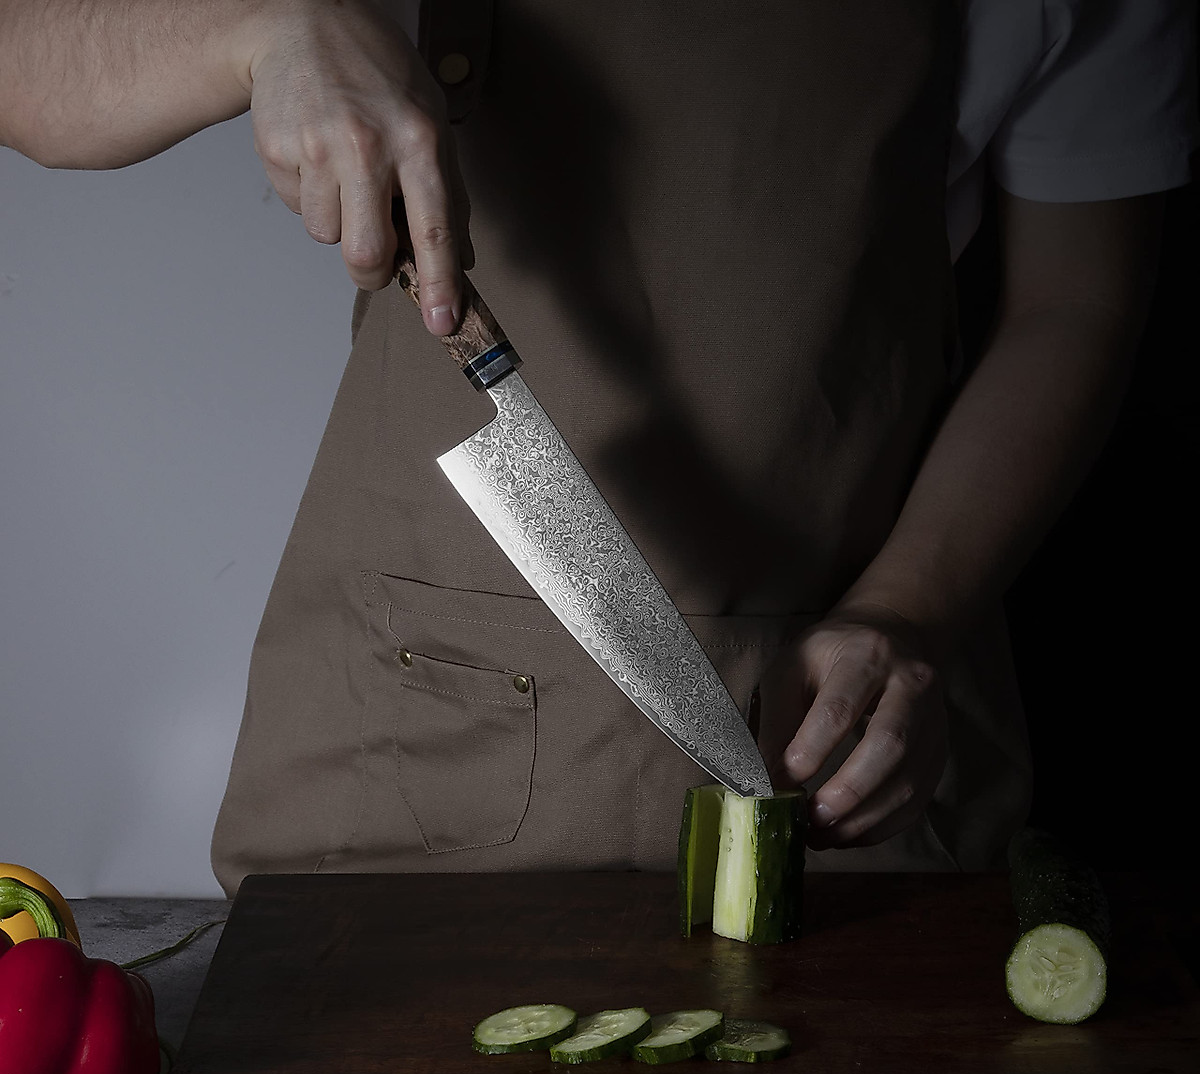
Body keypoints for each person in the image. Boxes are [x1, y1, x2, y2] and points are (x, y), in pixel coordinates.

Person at [2, 0, 1195, 896]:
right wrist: (260, 28)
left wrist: (914, 608)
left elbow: (1072, 309)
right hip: (407, 755)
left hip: (841, 756)